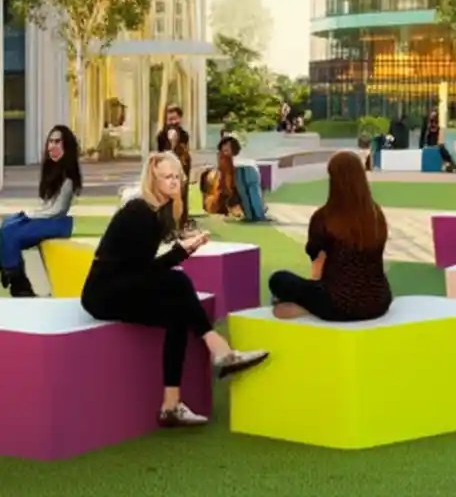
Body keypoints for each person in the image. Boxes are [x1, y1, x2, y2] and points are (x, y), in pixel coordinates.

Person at [81, 152, 269, 427]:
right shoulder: (139, 213)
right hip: (104, 293)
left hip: (124, 285)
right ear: (153, 180)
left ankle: (171, 405)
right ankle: (220, 349)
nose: (173, 182)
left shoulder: (158, 212)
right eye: (166, 177)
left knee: (177, 316)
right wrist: (181, 253)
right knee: (176, 282)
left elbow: (141, 271)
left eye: (177, 177)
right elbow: (143, 272)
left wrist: (183, 250)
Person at [269, 152, 393, 321]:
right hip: (379, 302)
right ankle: (311, 306)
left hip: (338, 304)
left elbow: (316, 261)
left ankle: (308, 308)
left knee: (279, 279)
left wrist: (313, 293)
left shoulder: (324, 217)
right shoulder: (376, 214)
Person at [1, 126, 83, 297]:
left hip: (57, 224)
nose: (52, 146)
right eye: (50, 142)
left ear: (67, 146)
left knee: (9, 232)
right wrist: (27, 215)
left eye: (57, 142)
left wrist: (29, 215)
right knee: (7, 225)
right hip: (47, 218)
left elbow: (57, 210)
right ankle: (14, 275)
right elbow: (47, 207)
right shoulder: (52, 171)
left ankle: (16, 279)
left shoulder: (69, 176)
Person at [156, 105, 192, 229]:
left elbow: (183, 153)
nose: (172, 122)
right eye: (169, 119)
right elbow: (161, 153)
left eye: (174, 119)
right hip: (166, 168)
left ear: (180, 118)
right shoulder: (161, 135)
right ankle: (166, 223)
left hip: (181, 167)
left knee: (182, 194)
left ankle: (182, 222)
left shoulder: (184, 135)